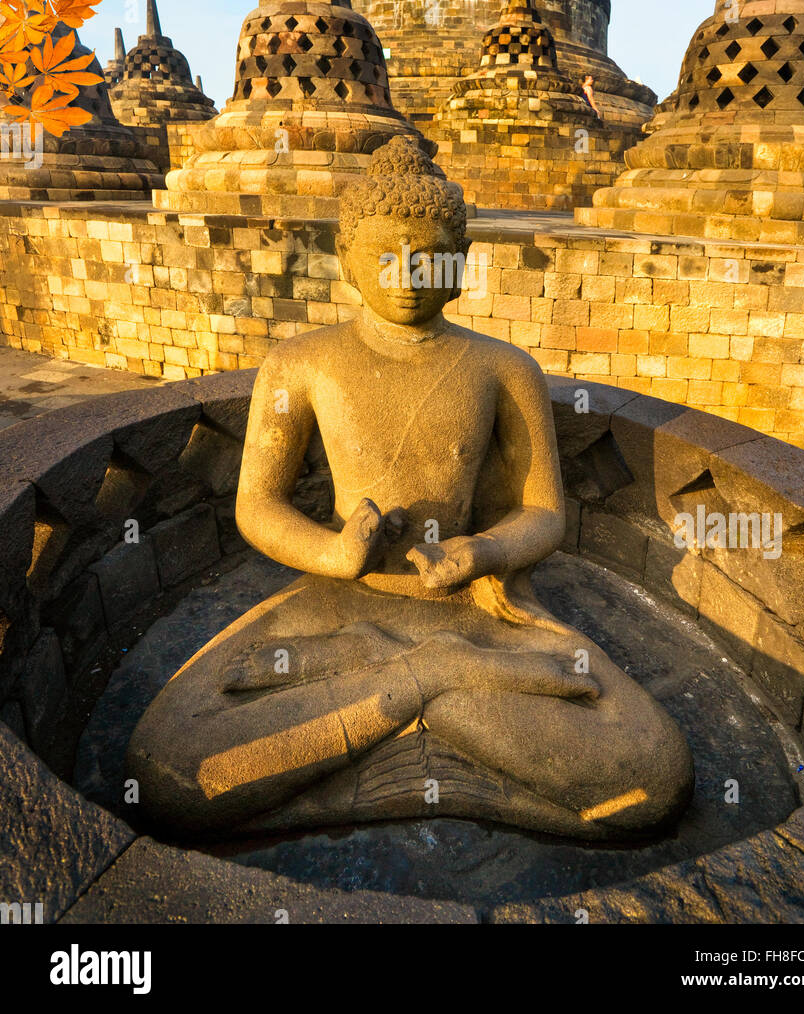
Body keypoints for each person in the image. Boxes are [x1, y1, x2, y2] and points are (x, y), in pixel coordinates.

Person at [127, 137, 693, 839]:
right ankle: (435, 695)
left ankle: (384, 718)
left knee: (652, 771)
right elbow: (258, 505)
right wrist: (335, 555)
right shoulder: (300, 364)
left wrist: (482, 553)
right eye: (385, 255)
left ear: (457, 266)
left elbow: (545, 512)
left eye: (429, 256)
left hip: (475, 610)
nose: (407, 275)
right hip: (339, 606)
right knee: (169, 771)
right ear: (346, 258)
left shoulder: (502, 369)